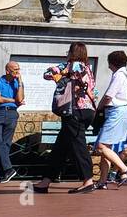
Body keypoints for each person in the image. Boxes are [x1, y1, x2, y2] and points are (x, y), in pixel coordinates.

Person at [32, 42, 98, 193]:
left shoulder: (71, 65)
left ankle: (88, 181)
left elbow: (47, 73)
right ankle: (46, 181)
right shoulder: (88, 68)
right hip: (87, 110)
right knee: (60, 148)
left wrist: (59, 76)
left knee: (78, 145)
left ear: (72, 52)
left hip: (74, 110)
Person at [94, 51, 127, 188]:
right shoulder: (124, 75)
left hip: (116, 112)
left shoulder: (119, 76)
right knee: (107, 148)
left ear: (112, 63)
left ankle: (124, 169)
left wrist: (98, 108)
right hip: (121, 112)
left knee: (101, 146)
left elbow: (108, 96)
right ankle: (102, 181)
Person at [0, 60, 24, 183]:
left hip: (12, 114)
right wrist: (14, 101)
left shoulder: (17, 84)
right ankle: (8, 169)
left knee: (6, 145)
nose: (17, 72)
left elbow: (20, 98)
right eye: (15, 70)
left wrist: (20, 82)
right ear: (7, 71)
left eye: (19, 69)